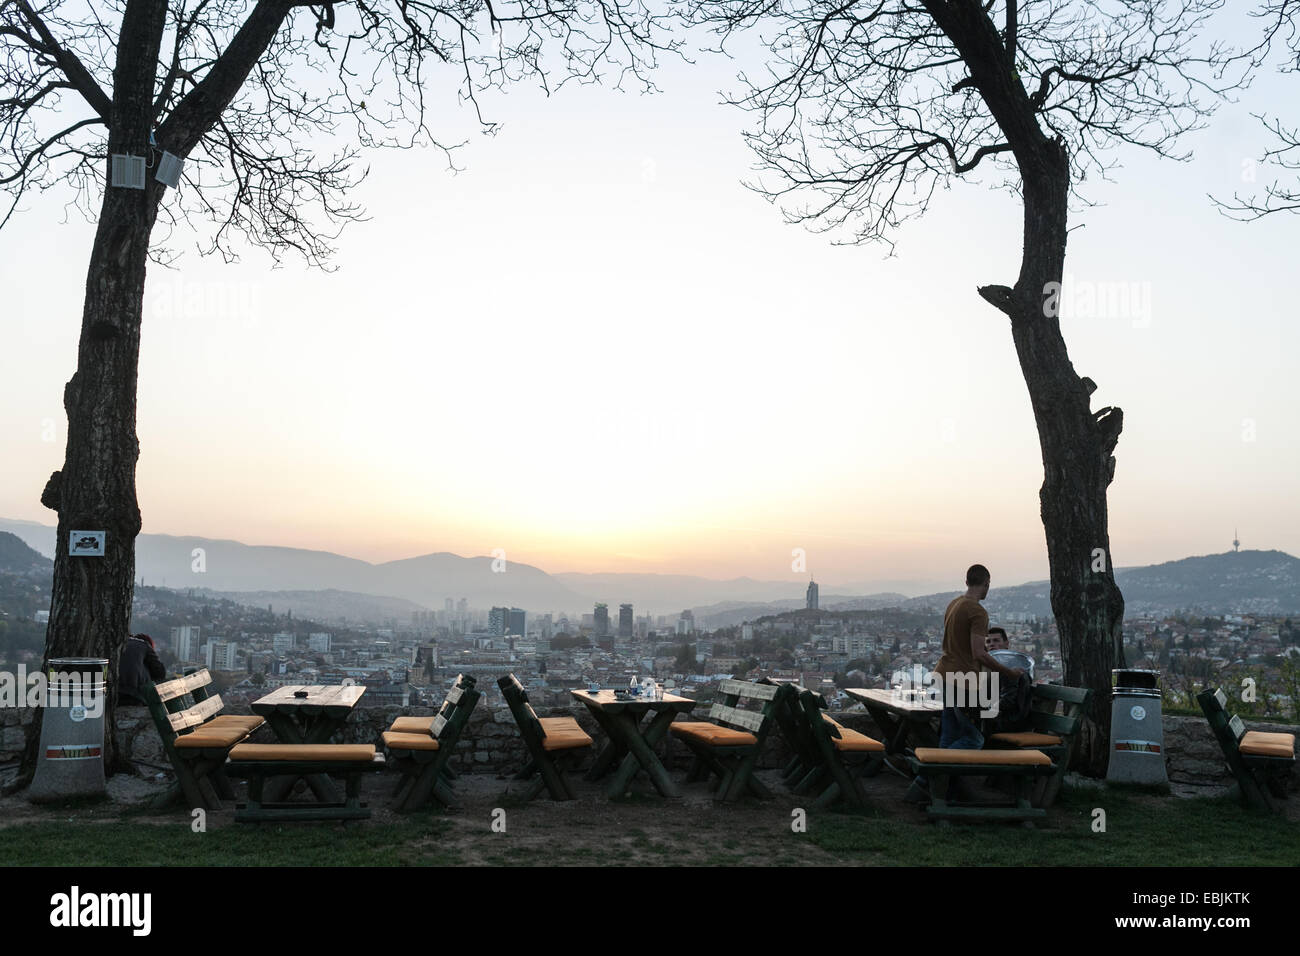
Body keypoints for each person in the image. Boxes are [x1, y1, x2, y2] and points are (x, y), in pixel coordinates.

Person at [932, 565, 1023, 749]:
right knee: (974, 739)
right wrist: (1009, 672)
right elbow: (979, 653)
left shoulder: (954, 604)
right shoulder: (977, 612)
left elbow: (962, 643)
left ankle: (928, 777)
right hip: (962, 680)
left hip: (943, 674)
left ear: (967, 582)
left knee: (950, 733)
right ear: (987, 584)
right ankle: (930, 773)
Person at [117, 632, 166, 706]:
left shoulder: (118, 643)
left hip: (112, 692)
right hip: (135, 695)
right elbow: (160, 672)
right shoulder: (144, 645)